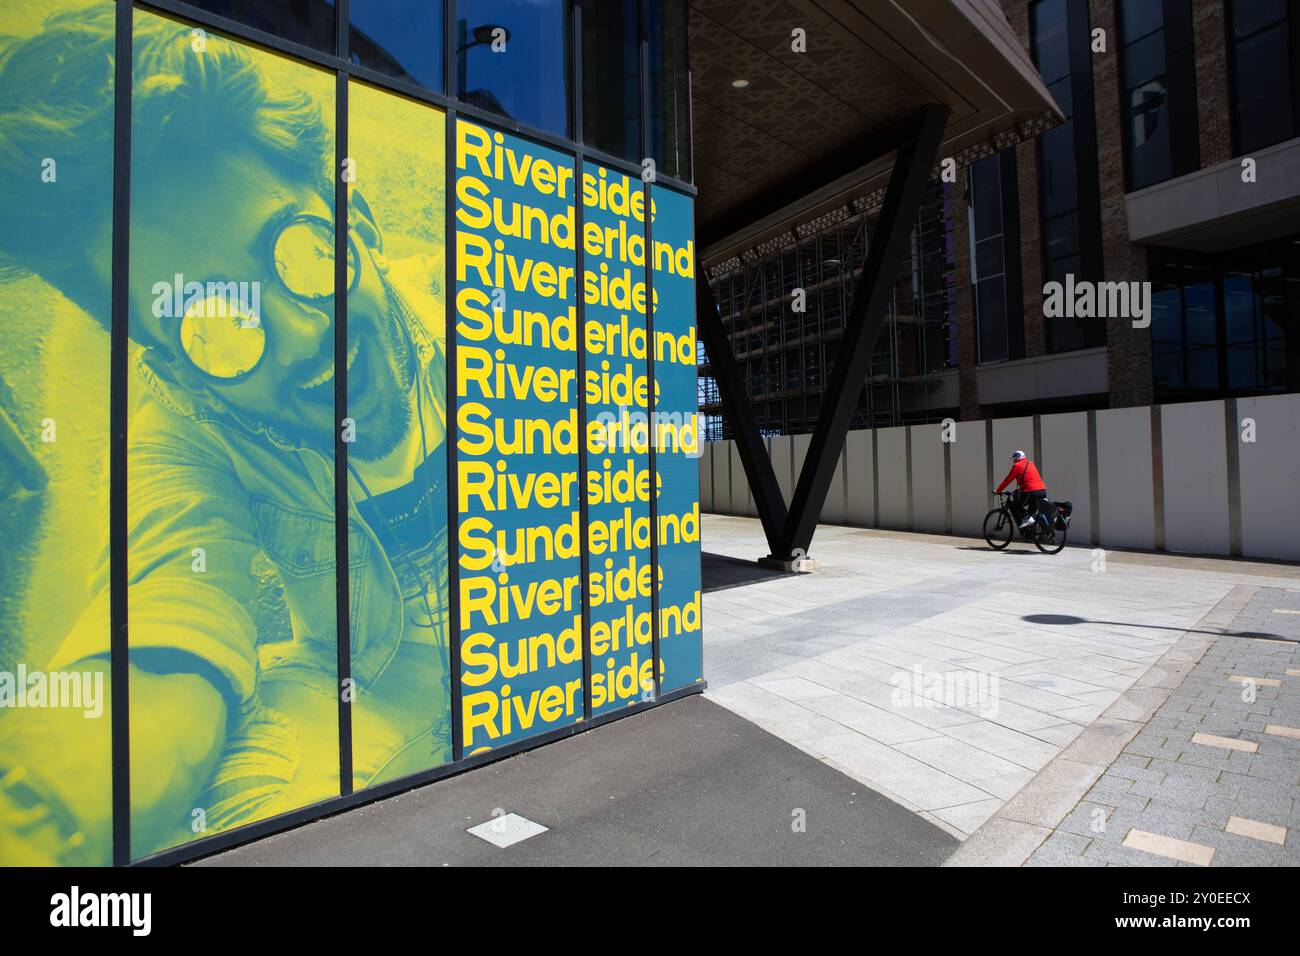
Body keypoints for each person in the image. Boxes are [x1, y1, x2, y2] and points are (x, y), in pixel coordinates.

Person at [0, 8, 451, 863]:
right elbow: (167, 621)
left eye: (299, 250)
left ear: (355, 223)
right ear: (170, 368)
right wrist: (40, 813)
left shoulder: (499, 319)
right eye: (213, 322)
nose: (299, 333)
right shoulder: (180, 429)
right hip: (368, 678)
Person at [994, 450, 1050, 534]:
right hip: (1042, 491)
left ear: (1017, 458)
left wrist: (998, 490)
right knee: (1031, 510)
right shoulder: (1031, 463)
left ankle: (1027, 522)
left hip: (1031, 491)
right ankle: (1030, 531)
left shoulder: (1016, 466)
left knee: (1016, 505)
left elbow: (1007, 480)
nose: (1013, 461)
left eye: (1014, 459)